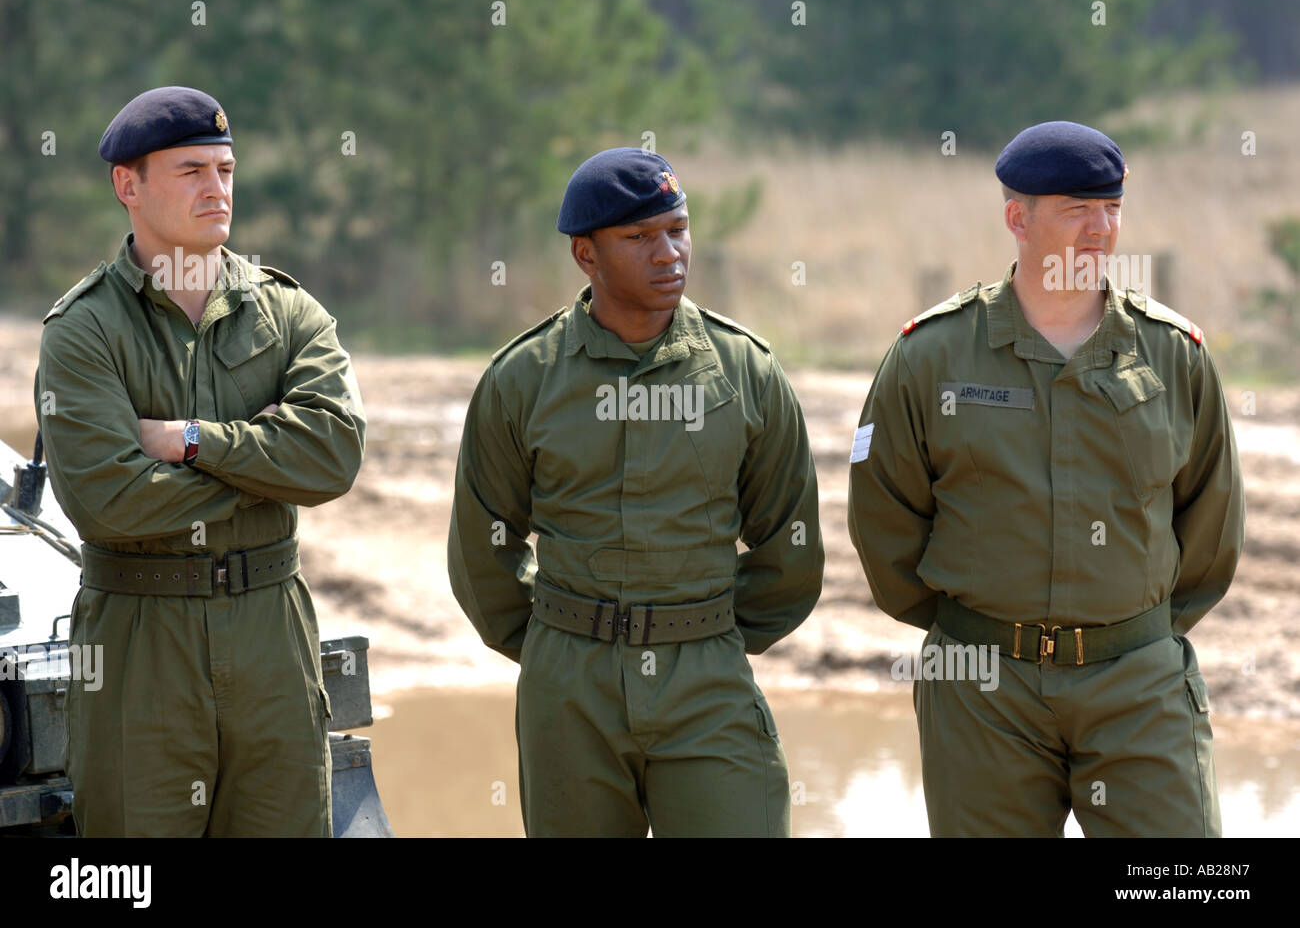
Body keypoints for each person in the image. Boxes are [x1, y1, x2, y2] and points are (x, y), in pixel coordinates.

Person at [847, 120, 1244, 837]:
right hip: (982, 688)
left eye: (1112, 209)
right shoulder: (930, 356)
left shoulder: (1173, 354)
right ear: (1016, 219)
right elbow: (884, 518)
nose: (1101, 229)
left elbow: (1211, 523)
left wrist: (1138, 630)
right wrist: (969, 626)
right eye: (1076, 209)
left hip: (1139, 684)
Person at [448, 147, 823, 837]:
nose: (669, 252)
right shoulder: (524, 378)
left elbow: (789, 540)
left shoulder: (746, 371)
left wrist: (712, 633)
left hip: (706, 676)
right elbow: (483, 547)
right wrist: (556, 644)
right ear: (585, 255)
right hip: (570, 685)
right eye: (640, 238)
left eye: (678, 229)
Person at [34, 86, 365, 836]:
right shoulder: (83, 331)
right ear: (129, 185)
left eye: (226, 170)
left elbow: (334, 456)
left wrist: (191, 440)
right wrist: (266, 467)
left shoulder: (288, 314)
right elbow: (108, 502)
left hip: (271, 632)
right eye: (191, 172)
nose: (218, 190)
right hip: (140, 642)